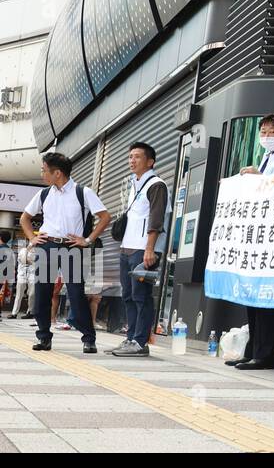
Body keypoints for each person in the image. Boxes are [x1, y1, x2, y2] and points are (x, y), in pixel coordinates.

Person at [227, 115, 274, 370]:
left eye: (272, 131)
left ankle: (266, 353)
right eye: (263, 131)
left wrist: (260, 178)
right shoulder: (268, 158)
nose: (266, 135)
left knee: (266, 299)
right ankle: (255, 349)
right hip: (260, 237)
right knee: (254, 298)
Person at [21, 153, 111, 354]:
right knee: (42, 293)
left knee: (76, 293)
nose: (42, 174)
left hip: (72, 247)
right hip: (47, 246)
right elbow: (24, 218)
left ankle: (89, 339)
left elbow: (105, 217)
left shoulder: (83, 192)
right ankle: (44, 337)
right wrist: (32, 238)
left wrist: (87, 240)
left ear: (58, 173)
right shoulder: (44, 194)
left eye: (44, 170)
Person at [110, 143, 169, 357]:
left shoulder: (157, 185)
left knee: (141, 296)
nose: (132, 160)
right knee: (127, 295)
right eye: (130, 157)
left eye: (137, 157)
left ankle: (140, 342)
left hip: (143, 250)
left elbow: (156, 219)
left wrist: (150, 249)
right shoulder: (135, 184)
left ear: (150, 161)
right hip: (127, 248)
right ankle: (131, 338)